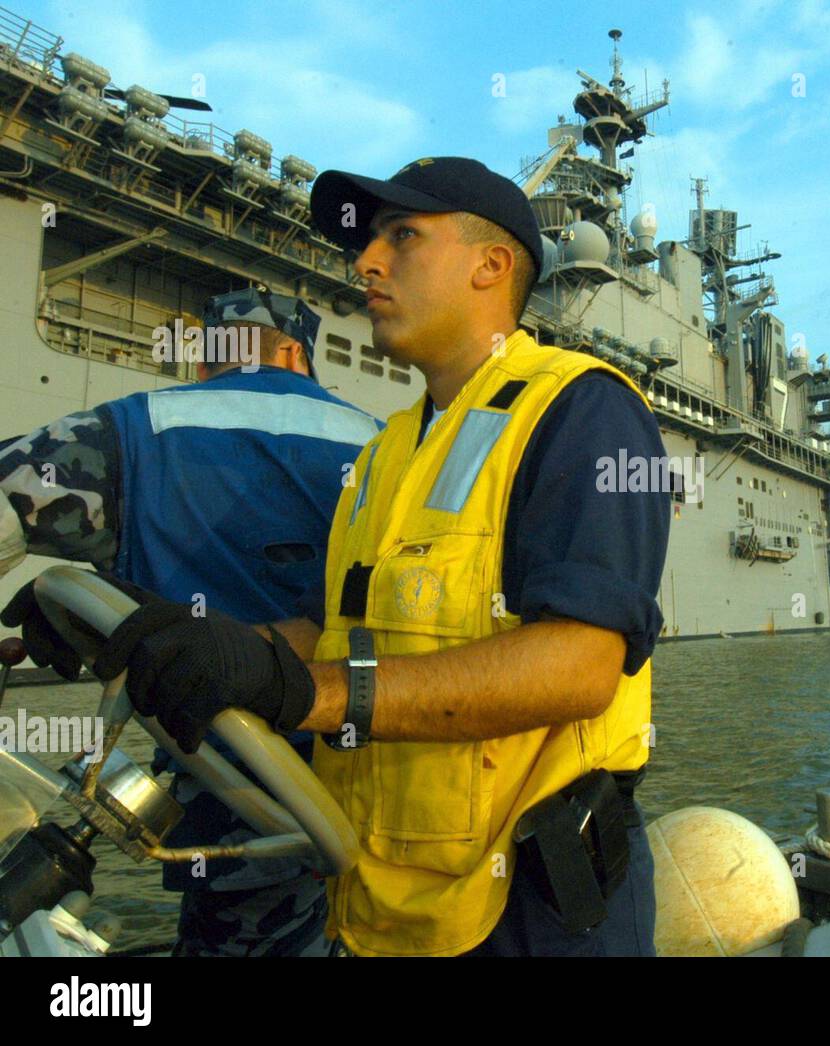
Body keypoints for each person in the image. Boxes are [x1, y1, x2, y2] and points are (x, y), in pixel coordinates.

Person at [29, 156, 673, 956]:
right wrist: (160, 636)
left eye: (402, 236)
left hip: (536, 916)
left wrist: (314, 695)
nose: (365, 262)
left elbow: (579, 665)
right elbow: (340, 635)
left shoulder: (583, 408)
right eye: (369, 241)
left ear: (492, 264)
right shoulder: (387, 450)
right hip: (384, 909)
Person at [0, 289, 381, 955]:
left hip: (231, 807)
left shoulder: (134, 431)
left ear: (206, 359)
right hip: (380, 795)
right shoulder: (387, 448)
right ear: (297, 354)